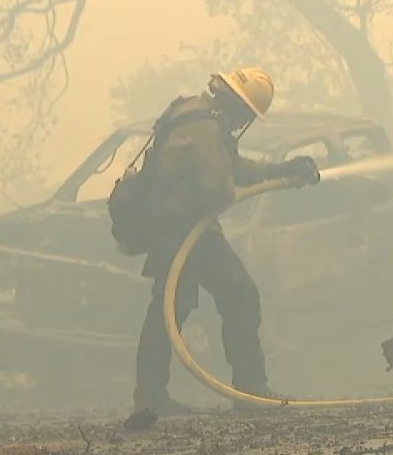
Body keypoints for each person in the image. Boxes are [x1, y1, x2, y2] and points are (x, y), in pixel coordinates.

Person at [129, 68, 320, 417]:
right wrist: (242, 187)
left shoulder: (202, 116)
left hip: (190, 228)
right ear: (237, 105)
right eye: (247, 114)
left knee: (192, 303)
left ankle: (163, 394)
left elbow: (236, 168)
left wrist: (283, 170)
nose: (244, 121)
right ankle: (244, 388)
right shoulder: (203, 126)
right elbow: (220, 188)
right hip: (179, 230)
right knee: (184, 305)